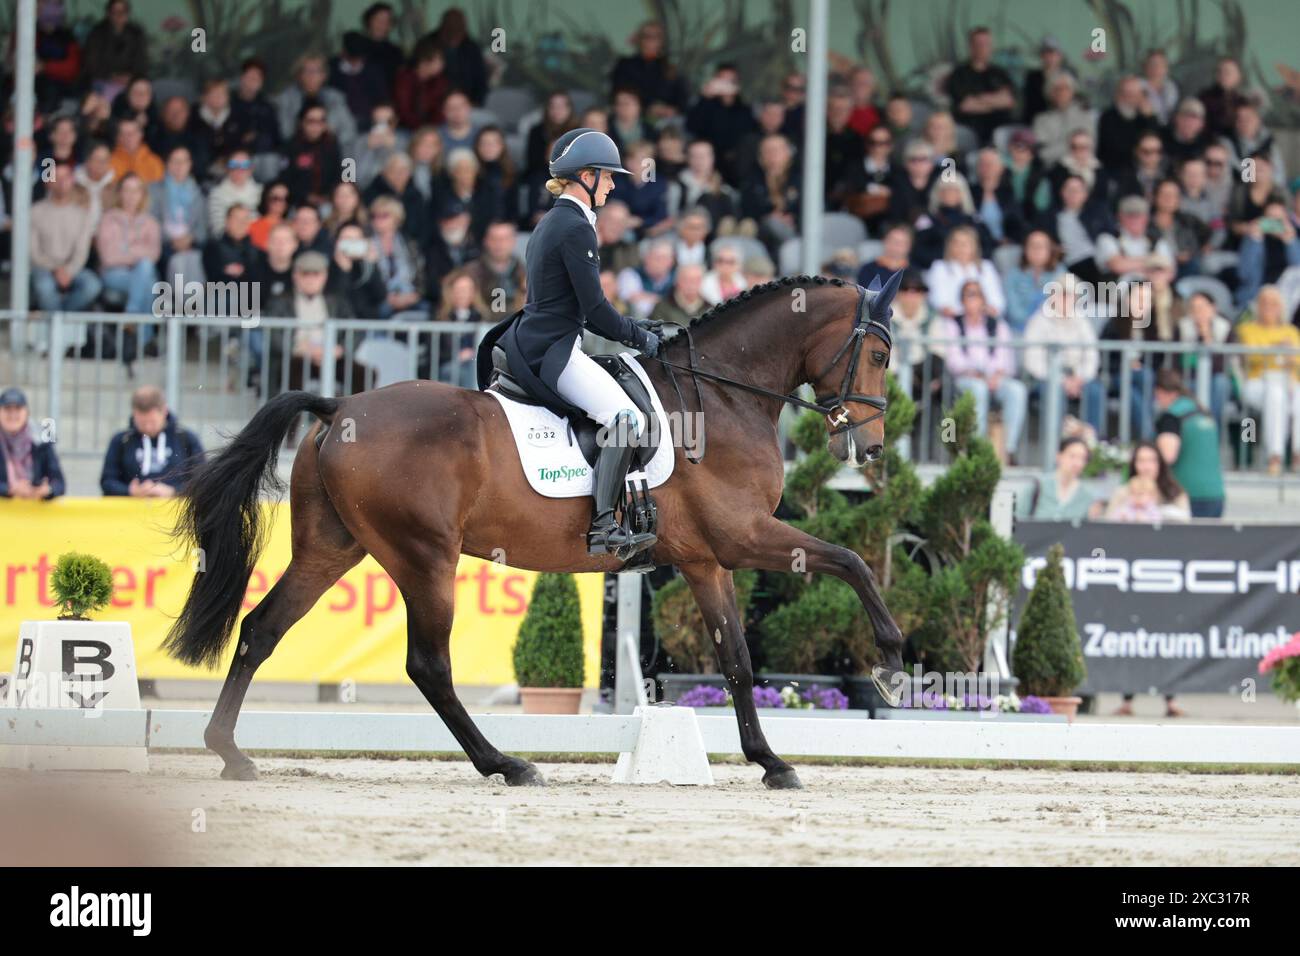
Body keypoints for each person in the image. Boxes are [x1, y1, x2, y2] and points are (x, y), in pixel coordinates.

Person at [476, 128, 662, 557]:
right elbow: (595, 311)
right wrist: (640, 339)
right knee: (626, 418)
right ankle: (602, 528)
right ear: (586, 176)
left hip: (536, 337)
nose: (614, 185)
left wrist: (638, 324)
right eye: (608, 177)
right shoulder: (576, 227)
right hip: (553, 349)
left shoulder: (552, 222)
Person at [938, 280, 1027, 458]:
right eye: (969, 295)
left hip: (993, 379)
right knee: (978, 389)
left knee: (1017, 390)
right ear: (962, 300)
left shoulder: (998, 325)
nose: (973, 299)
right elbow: (954, 360)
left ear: (983, 299)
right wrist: (976, 373)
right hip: (964, 378)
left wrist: (995, 375)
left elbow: (1006, 359)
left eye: (977, 294)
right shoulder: (953, 325)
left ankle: (1006, 450)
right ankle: (977, 448)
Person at [1234, 285, 1300, 475]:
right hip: (1256, 382)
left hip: (1288, 381)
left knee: (1297, 398)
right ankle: (1275, 456)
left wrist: (1287, 357)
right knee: (1275, 394)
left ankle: (1297, 454)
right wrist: (1277, 350)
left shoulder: (1292, 331)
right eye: (1264, 303)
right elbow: (1250, 358)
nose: (1269, 308)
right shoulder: (1247, 329)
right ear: (1257, 306)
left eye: (1274, 304)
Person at [30, 159, 102, 319]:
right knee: (44, 287)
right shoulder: (35, 212)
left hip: (72, 270)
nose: (62, 182)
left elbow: (81, 252)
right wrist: (56, 269)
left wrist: (68, 271)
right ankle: (62, 328)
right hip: (44, 268)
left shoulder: (82, 215)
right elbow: (33, 252)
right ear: (49, 181)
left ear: (72, 181)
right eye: (57, 177)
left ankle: (58, 323)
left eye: (66, 177)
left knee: (92, 285)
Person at [100, 386, 203, 497]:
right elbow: (107, 481)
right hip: (131, 511)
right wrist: (129, 491)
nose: (148, 427)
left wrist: (174, 491)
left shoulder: (186, 438)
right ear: (134, 414)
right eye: (142, 423)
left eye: (153, 422)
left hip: (175, 511)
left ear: (164, 411)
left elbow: (202, 480)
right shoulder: (121, 440)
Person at [1153, 368, 1225, 518]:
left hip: (1190, 495)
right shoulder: (1203, 412)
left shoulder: (1172, 416)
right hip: (1217, 494)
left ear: (1160, 392)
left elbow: (1167, 456)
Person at [944, 27, 1015, 144]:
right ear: (971, 46)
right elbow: (965, 105)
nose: (982, 48)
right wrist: (996, 102)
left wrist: (980, 99)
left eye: (986, 44)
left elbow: (1008, 101)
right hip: (969, 129)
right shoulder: (959, 74)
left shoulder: (1000, 73)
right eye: (979, 44)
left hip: (1000, 129)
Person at [0, 388, 65, 500]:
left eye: (18, 409)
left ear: (26, 412)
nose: (12, 414)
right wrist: (10, 489)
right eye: (7, 409)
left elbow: (59, 483)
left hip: (35, 515)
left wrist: (47, 490)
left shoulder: (42, 440)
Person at [1104, 441, 1191, 522]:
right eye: (1141, 461)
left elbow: (1185, 522)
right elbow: (1109, 524)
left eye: (1152, 460)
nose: (1146, 467)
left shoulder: (1176, 493)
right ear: (1134, 464)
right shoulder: (1122, 493)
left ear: (1160, 464)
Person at [1024, 436, 1096, 521]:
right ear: (1059, 456)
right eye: (1072, 456)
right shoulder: (1037, 487)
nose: (1077, 463)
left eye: (1082, 458)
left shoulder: (1087, 496)